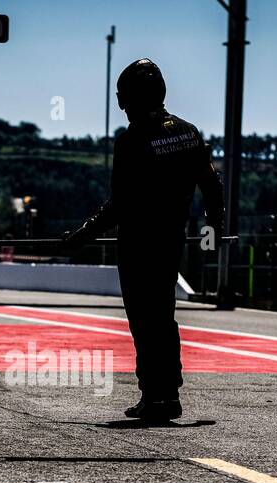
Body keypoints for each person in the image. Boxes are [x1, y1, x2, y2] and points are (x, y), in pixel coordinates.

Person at [62, 58, 224, 422]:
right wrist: (213, 225)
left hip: (138, 244)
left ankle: (155, 396)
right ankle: (168, 394)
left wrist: (81, 236)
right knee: (163, 316)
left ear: (129, 99)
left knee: (144, 320)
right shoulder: (189, 132)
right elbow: (212, 186)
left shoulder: (132, 141)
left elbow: (119, 205)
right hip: (171, 241)